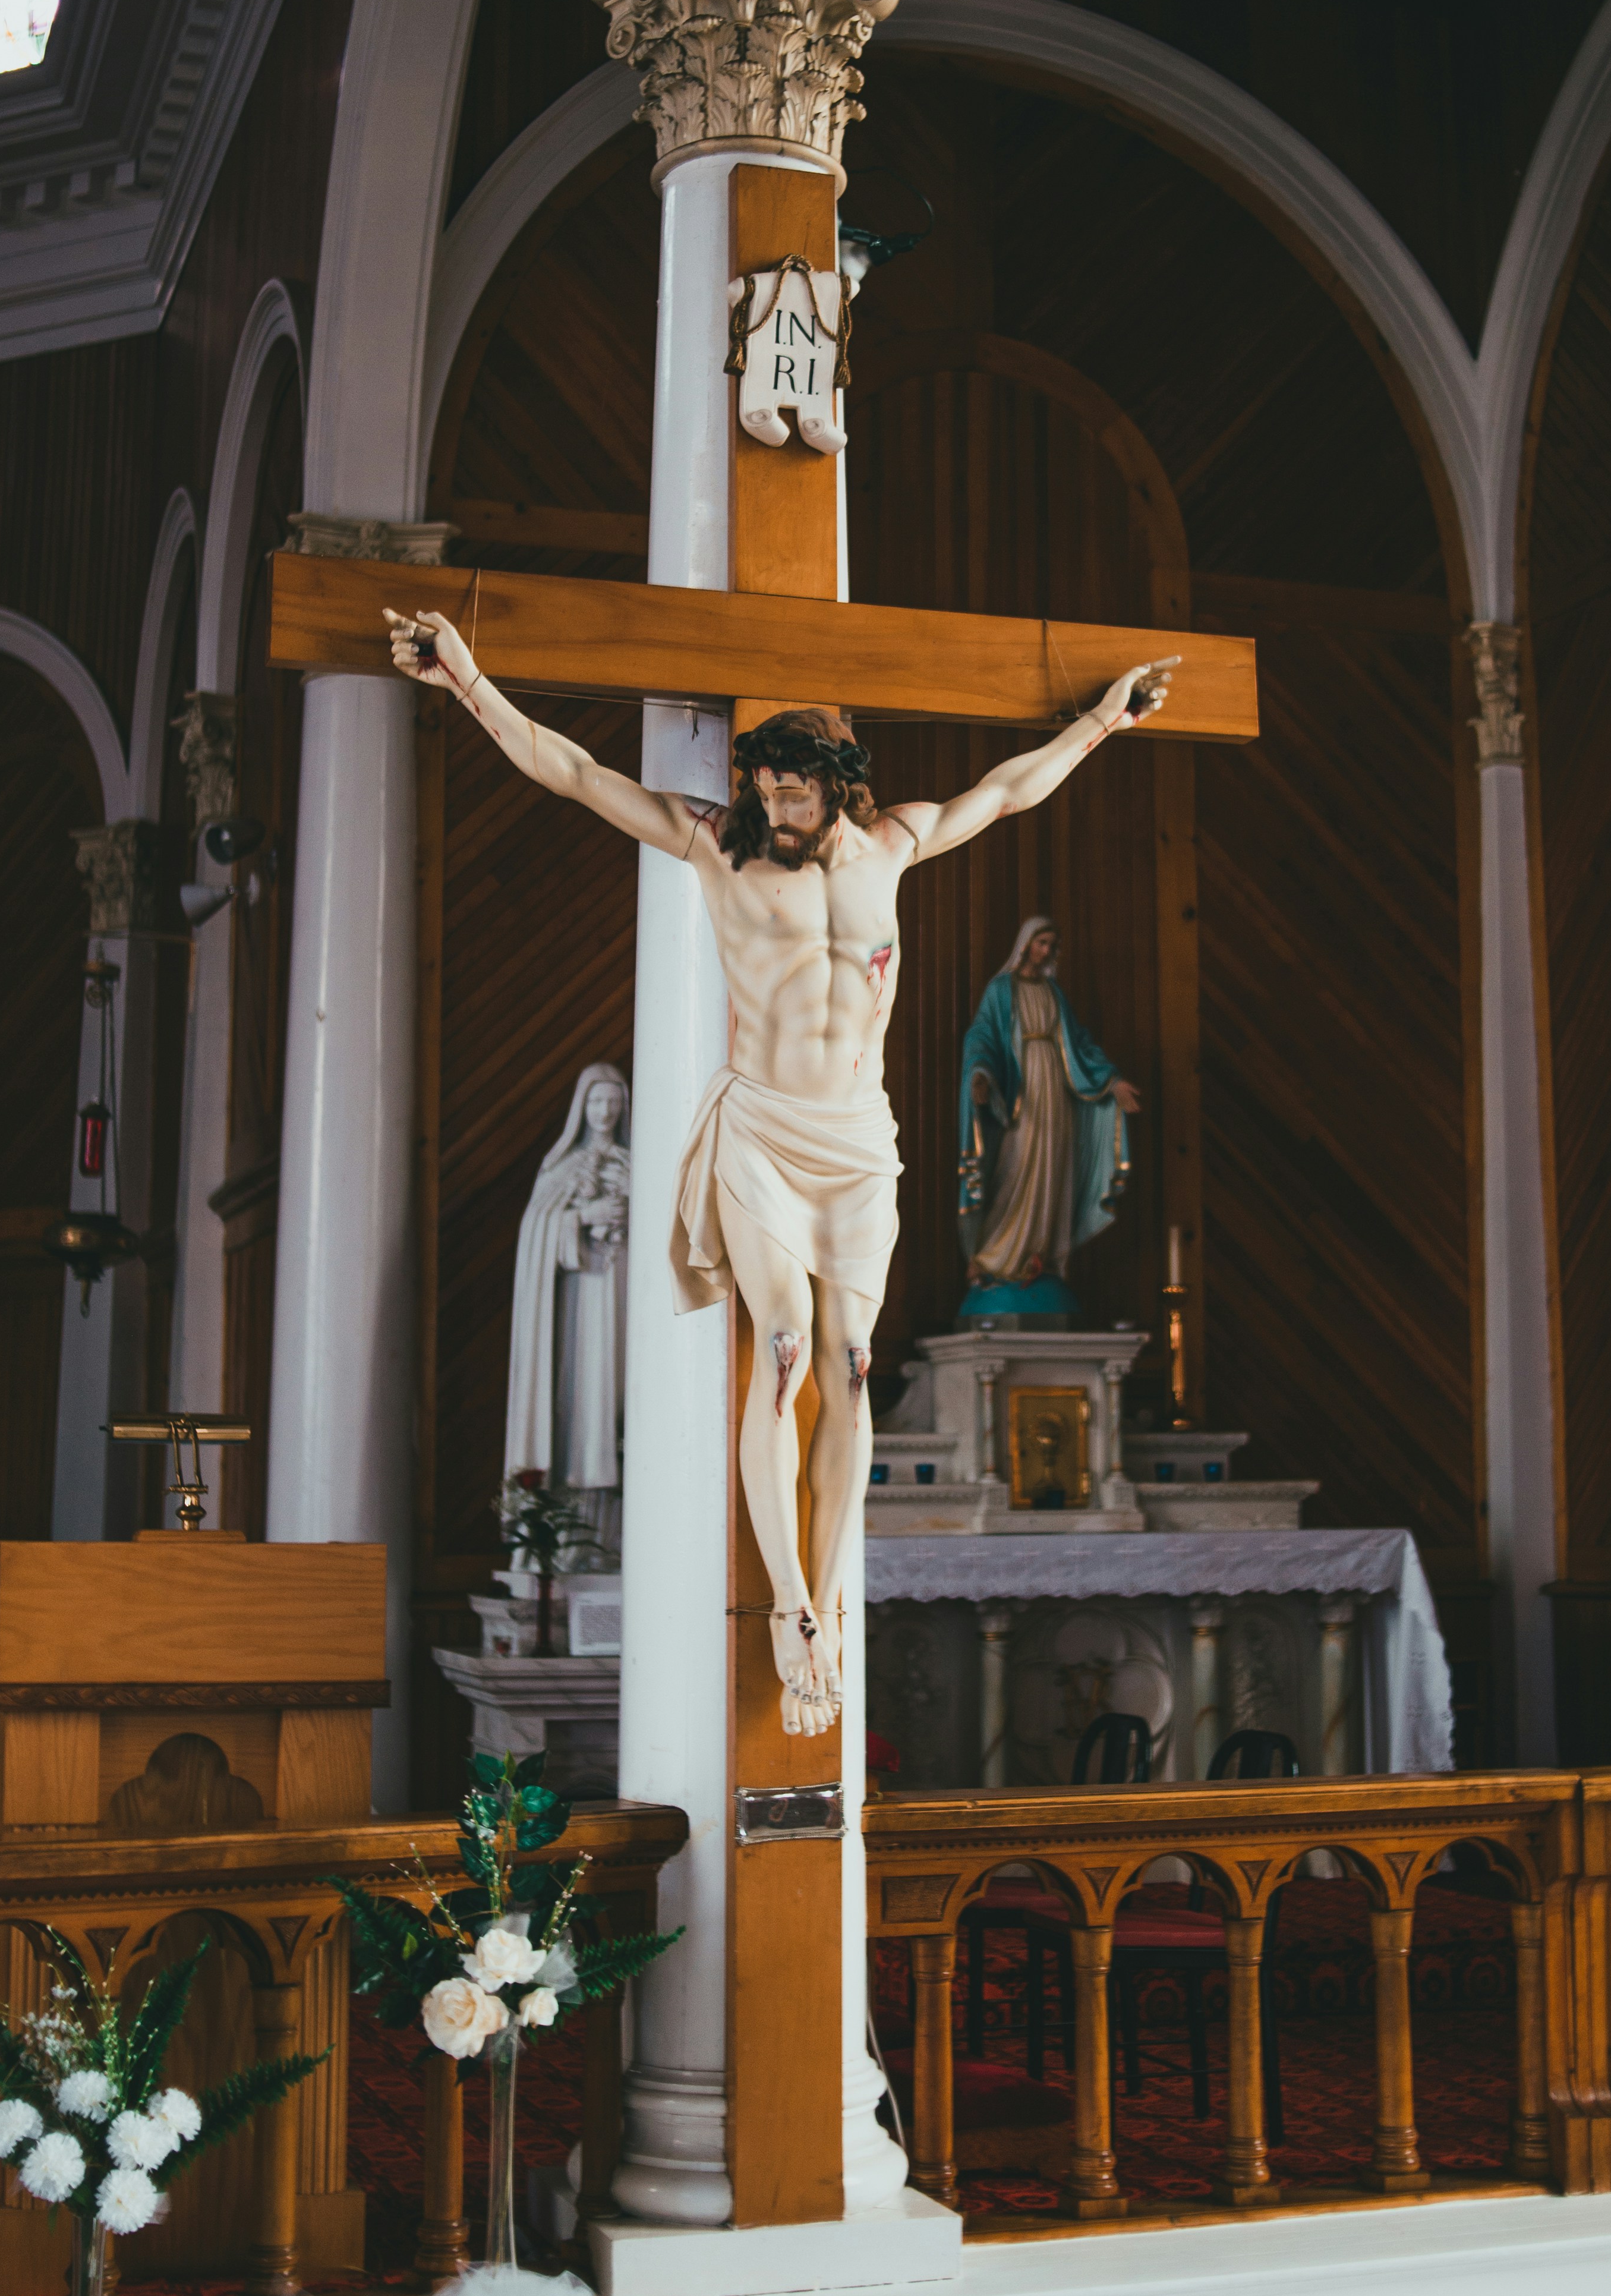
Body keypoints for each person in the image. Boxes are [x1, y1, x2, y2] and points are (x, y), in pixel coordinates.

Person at [386, 607, 1177, 1732]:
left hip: (857, 1139)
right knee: (786, 1351)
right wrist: (466, 677)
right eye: (765, 792)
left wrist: (1102, 718)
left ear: (839, 787)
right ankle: (791, 1605)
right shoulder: (719, 844)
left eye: (795, 796)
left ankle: (833, 1585)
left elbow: (1006, 790)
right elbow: (571, 771)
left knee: (851, 1366)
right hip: (761, 1126)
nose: (775, 810)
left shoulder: (895, 842)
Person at [959, 919, 1139, 1314]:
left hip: (1056, 1094)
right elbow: (982, 1036)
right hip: (1020, 1093)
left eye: (1051, 945)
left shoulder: (1053, 993)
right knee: (1015, 1169)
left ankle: (1042, 1261)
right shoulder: (1002, 990)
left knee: (1054, 1174)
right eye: (1041, 942)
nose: (1045, 951)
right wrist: (982, 1075)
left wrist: (1111, 1083)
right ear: (1026, 945)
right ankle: (993, 1260)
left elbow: (1080, 1044)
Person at [505, 1064, 629, 1558]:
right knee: (581, 1406)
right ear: (583, 1108)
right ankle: (565, 1537)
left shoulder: (633, 1162)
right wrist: (583, 1218)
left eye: (614, 1103)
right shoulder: (562, 1167)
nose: (606, 1112)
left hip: (622, 1299)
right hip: (578, 1304)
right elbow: (536, 1231)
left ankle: (613, 1535)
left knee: (618, 1402)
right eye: (597, 1103)